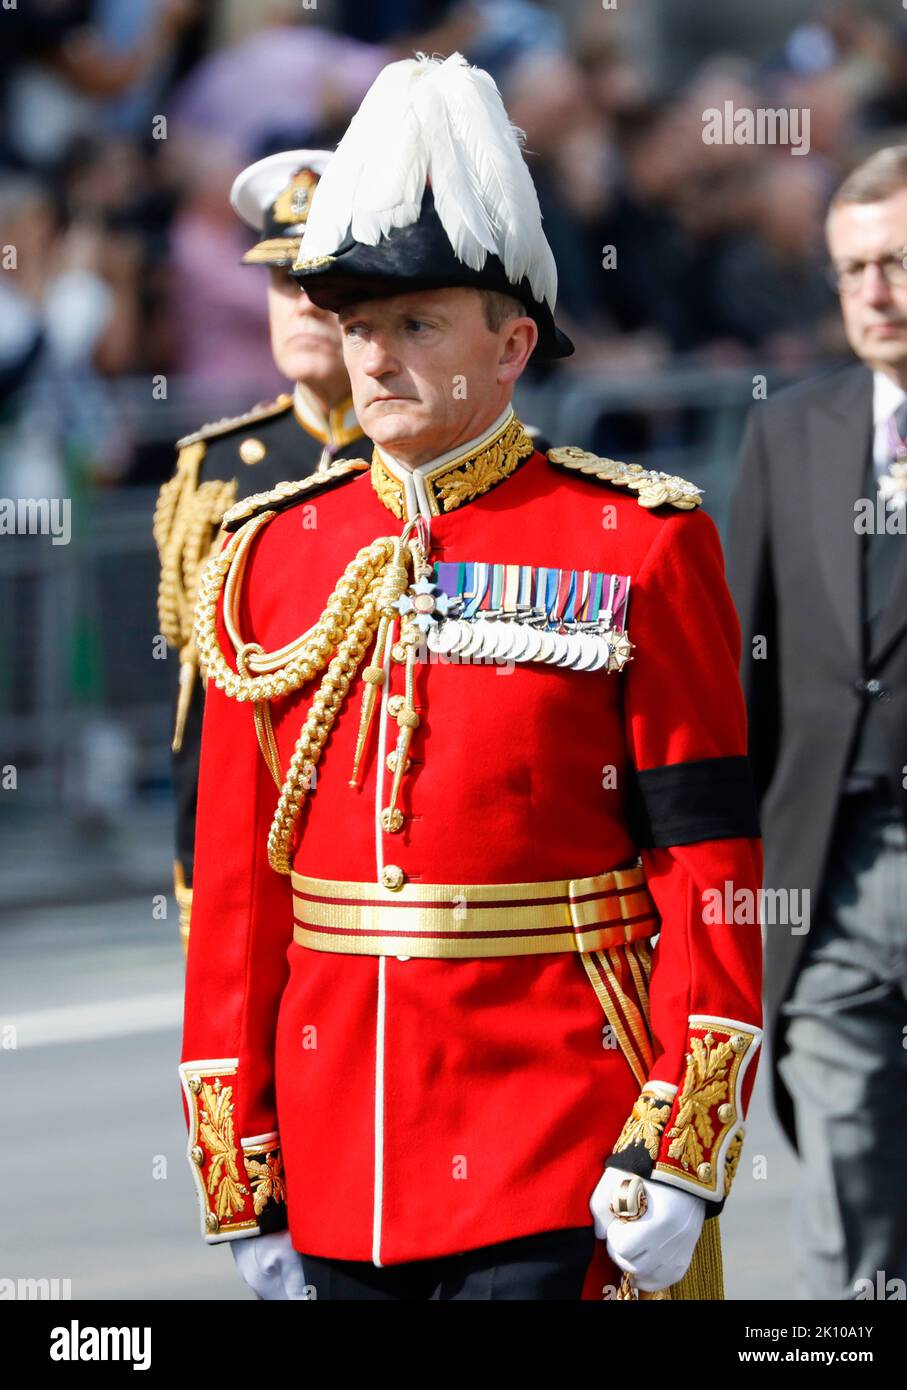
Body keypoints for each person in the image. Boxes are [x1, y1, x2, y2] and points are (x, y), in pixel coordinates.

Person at [178, 51, 762, 1302]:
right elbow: (237, 900)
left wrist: (683, 1145)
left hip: (558, 1143)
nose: (374, 358)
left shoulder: (641, 540)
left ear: (509, 346)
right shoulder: (269, 554)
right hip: (337, 1162)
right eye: (357, 327)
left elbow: (706, 867)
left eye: (414, 324)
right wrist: (245, 1175)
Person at [727, 145, 907, 1299]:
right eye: (851, 268)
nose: (872, 291)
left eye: (898, 262)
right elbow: (739, 677)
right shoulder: (789, 431)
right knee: (850, 1207)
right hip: (827, 875)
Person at [153, 148, 373, 954]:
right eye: (286, 283)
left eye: (326, 284)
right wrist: (195, 872)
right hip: (255, 843)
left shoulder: (423, 464)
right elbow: (200, 701)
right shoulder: (217, 471)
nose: (304, 307)